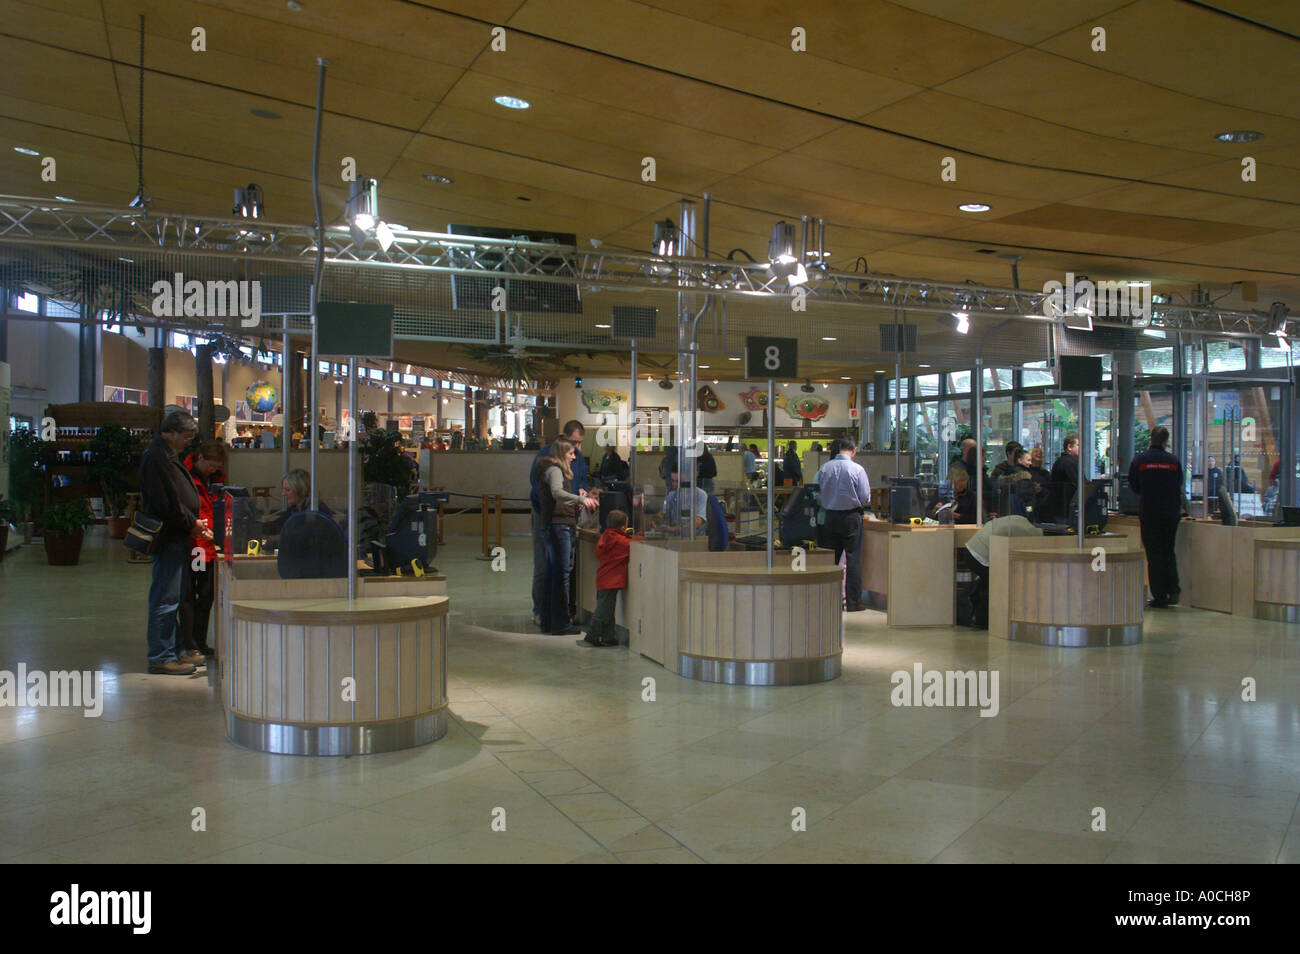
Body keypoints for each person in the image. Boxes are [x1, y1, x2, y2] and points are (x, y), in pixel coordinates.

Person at [140, 411, 210, 675]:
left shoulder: (165, 455)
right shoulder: (157, 458)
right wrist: (190, 523)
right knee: (165, 600)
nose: (188, 442)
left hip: (178, 535)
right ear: (170, 432)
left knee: (175, 598)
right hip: (170, 536)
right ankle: (161, 655)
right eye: (186, 436)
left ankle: (175, 650)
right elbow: (166, 503)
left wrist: (191, 523)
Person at [534, 438, 598, 635]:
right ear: (562, 454)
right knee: (561, 576)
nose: (574, 457)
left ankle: (548, 621)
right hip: (559, 526)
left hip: (555, 525)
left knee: (553, 574)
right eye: (571, 453)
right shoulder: (555, 470)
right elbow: (557, 493)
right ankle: (561, 624)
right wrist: (581, 499)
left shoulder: (552, 470)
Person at [178, 440, 227, 662]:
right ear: (200, 458)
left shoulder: (215, 480)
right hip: (194, 546)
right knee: (189, 596)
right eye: (211, 465)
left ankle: (200, 641)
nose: (214, 470)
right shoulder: (184, 477)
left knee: (206, 596)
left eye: (217, 466)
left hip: (209, 546)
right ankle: (190, 644)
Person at [1129, 425, 1184, 608]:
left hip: (1150, 512)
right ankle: (1173, 590)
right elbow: (1179, 484)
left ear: (1151, 438)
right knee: (1169, 551)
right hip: (1171, 513)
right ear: (1166, 441)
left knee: (1154, 554)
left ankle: (1159, 596)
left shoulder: (1140, 460)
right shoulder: (1174, 462)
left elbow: (1134, 486)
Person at [817, 435, 871, 611]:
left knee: (830, 560)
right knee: (853, 558)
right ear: (854, 450)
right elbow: (864, 497)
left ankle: (831, 600)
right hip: (851, 518)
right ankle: (854, 603)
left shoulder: (825, 468)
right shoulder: (857, 470)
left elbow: (819, 492)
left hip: (830, 517)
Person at [963, 515, 1044, 628]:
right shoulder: (1029, 531)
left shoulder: (1018, 520)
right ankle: (985, 620)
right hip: (979, 556)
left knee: (988, 582)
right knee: (994, 586)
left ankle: (980, 618)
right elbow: (1035, 546)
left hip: (970, 550)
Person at [580, 509, 631, 648]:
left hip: (603, 578)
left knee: (608, 609)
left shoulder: (605, 537)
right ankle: (592, 635)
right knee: (603, 610)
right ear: (623, 527)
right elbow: (632, 544)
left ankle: (609, 636)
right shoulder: (622, 542)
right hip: (613, 581)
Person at [262, 468, 335, 549]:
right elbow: (278, 524)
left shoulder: (315, 510)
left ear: (300, 490)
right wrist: (257, 526)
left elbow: (304, 537)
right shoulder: (295, 509)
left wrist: (275, 540)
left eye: (288, 490)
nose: (283, 494)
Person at [1041, 433, 1080, 522]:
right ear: (1069, 447)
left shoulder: (1061, 461)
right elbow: (1079, 484)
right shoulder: (1069, 463)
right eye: (1078, 445)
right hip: (1065, 509)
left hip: (1058, 509)